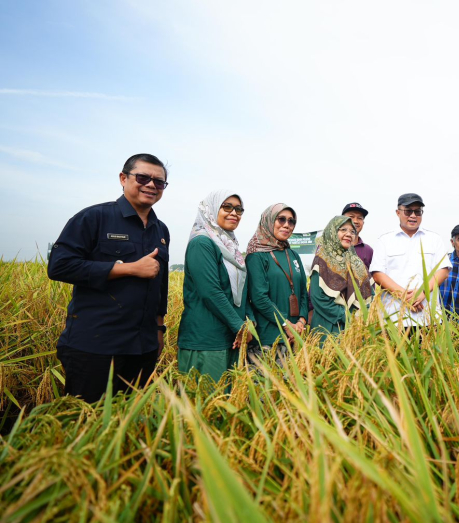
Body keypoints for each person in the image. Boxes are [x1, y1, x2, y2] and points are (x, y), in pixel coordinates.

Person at [47, 153, 170, 403]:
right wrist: (127, 269)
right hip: (96, 347)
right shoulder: (94, 217)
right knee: (86, 424)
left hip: (143, 347)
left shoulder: (161, 229)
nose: (151, 185)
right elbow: (59, 266)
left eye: (159, 182)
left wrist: (158, 329)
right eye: (143, 177)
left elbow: (161, 285)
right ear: (123, 178)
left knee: (130, 422)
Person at [177, 190, 255, 383]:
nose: (234, 213)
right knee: (205, 403)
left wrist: (248, 323)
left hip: (232, 338)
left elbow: (243, 294)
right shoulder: (202, 243)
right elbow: (210, 292)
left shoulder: (232, 248)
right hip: (206, 339)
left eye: (239, 209)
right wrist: (240, 327)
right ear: (211, 210)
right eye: (226, 207)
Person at [369, 193, 451, 328]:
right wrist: (405, 296)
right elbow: (378, 274)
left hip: (428, 318)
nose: (413, 215)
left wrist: (422, 292)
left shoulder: (434, 239)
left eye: (418, 211)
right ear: (398, 212)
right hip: (394, 318)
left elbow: (443, 270)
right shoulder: (384, 240)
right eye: (408, 211)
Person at [246, 203, 309, 356]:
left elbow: (303, 294)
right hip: (268, 338)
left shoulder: (293, 255)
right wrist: (286, 325)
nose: (287, 225)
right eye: (281, 219)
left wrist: (301, 322)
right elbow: (259, 297)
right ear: (269, 221)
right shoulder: (256, 255)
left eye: (291, 221)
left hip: (296, 336)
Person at [308, 216, 374, 336]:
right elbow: (318, 298)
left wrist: (361, 316)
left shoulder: (356, 262)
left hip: (356, 329)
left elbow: (370, 293)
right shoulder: (322, 259)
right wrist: (347, 317)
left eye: (352, 231)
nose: (349, 234)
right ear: (332, 232)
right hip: (328, 326)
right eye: (343, 230)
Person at [341, 202, 373, 269]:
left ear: (363, 223)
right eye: (351, 217)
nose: (355, 221)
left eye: (360, 218)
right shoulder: (328, 246)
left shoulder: (368, 250)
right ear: (341, 220)